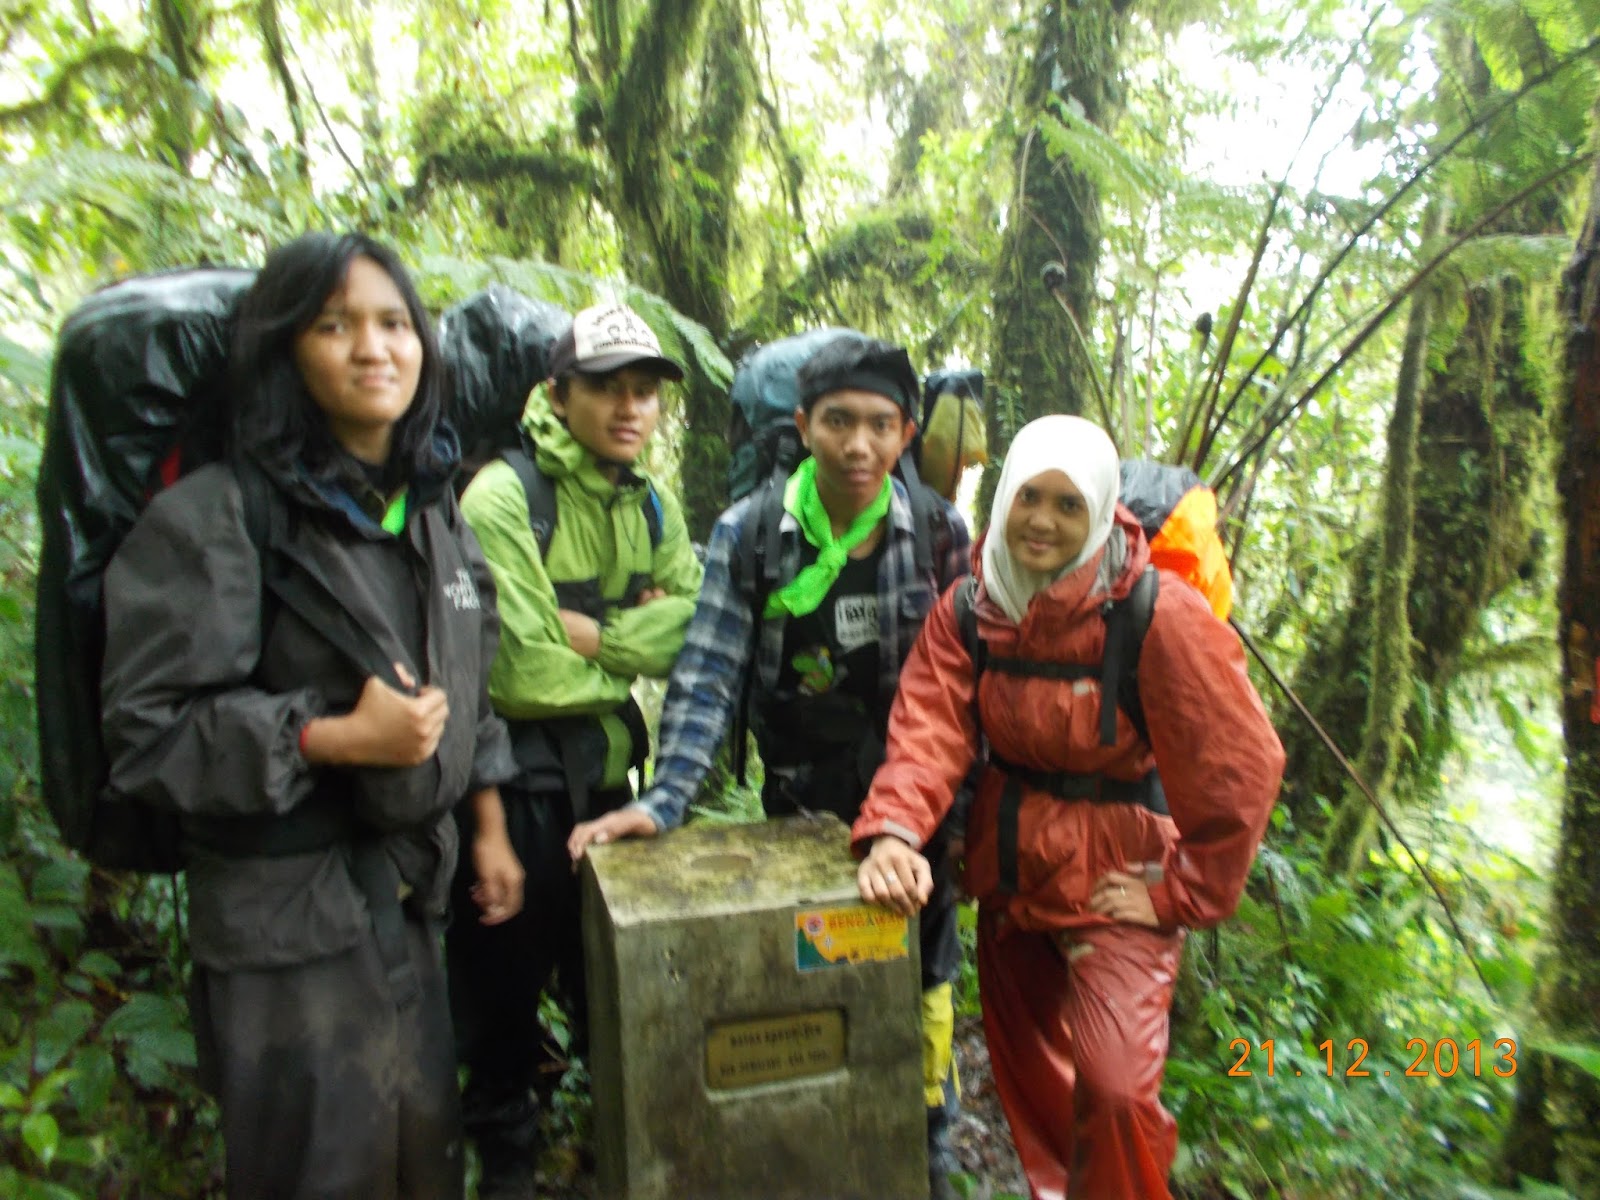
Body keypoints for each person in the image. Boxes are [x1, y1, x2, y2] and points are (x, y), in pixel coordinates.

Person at [100, 231, 525, 1199]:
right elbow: (148, 731)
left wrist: (488, 821)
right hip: (283, 926)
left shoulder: (429, 512)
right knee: (322, 1173)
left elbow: (473, 678)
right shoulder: (221, 516)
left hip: (408, 904)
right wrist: (328, 738)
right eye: (333, 326)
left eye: (392, 323)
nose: (373, 348)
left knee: (422, 1163)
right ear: (284, 349)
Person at [568, 334, 974, 1200]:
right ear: (803, 424)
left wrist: (955, 826)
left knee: (925, 975)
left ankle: (925, 1151)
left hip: (918, 807)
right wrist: (667, 797)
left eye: (878, 424)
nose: (857, 446)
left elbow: (958, 691)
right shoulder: (752, 532)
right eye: (837, 422)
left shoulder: (936, 532)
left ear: (906, 433)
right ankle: (818, 1148)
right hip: (803, 806)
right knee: (819, 975)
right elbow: (710, 669)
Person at [852, 415, 1284, 1200]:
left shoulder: (1157, 614)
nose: (1042, 522)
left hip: (1120, 881)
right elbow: (929, 732)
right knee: (1037, 1083)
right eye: (1027, 498)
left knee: (1117, 1090)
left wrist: (1179, 890)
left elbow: (1243, 766)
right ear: (1003, 499)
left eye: (1066, 505)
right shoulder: (972, 608)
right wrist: (892, 832)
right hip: (1014, 881)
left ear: (1100, 512)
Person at [446, 301, 704, 1198]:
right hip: (515, 787)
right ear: (557, 395)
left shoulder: (649, 500)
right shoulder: (503, 496)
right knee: (505, 991)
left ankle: (624, 1149)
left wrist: (587, 638)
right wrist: (629, 637)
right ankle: (509, 1165)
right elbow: (514, 671)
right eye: (606, 388)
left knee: (613, 984)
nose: (630, 407)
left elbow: (695, 627)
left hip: (609, 785)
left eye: (645, 391)